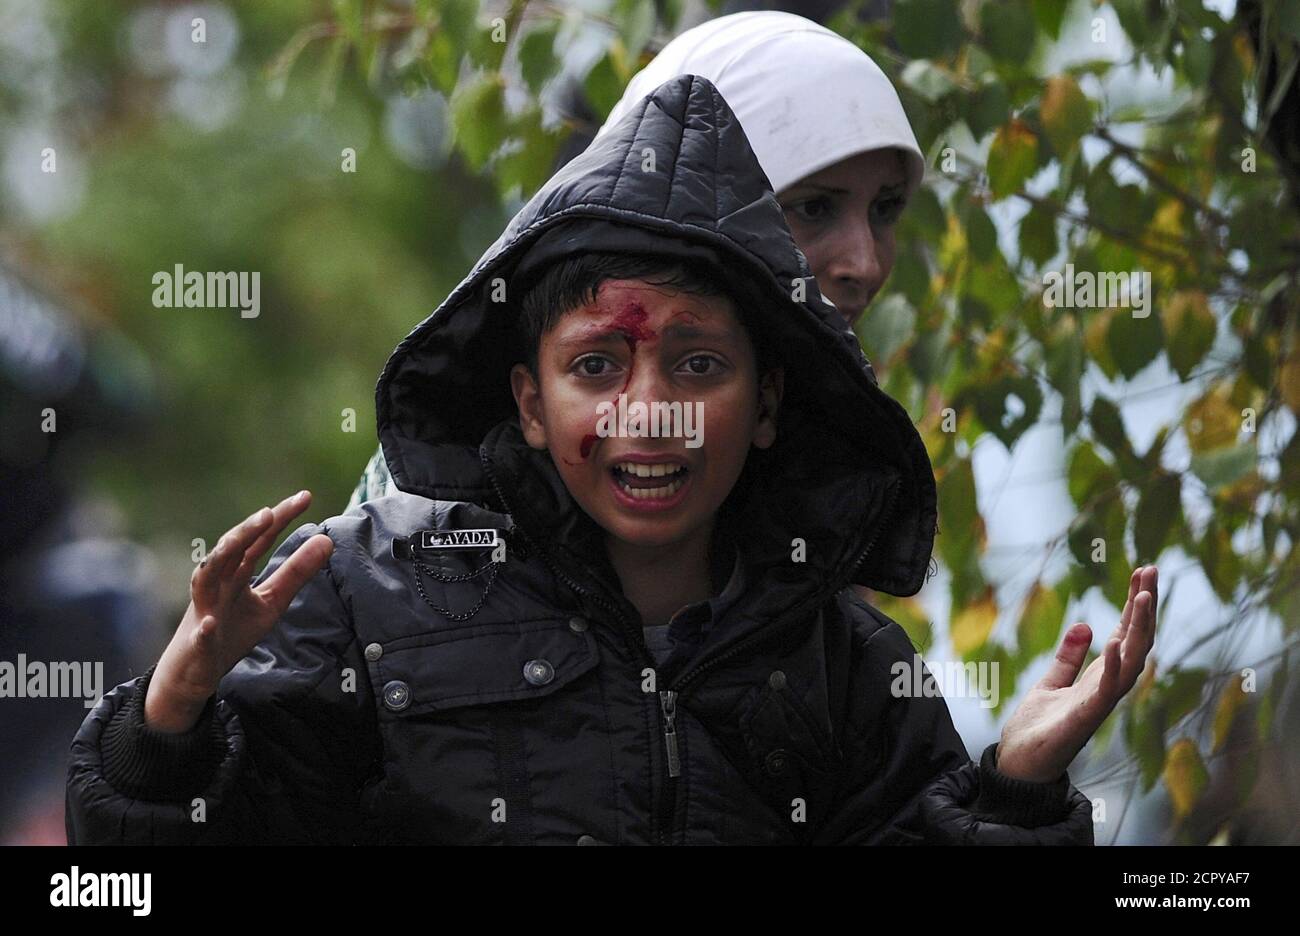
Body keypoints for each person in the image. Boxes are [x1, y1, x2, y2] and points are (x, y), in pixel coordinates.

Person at [66, 75, 1155, 844]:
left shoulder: (850, 668)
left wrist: (1013, 791)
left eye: (695, 367)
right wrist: (166, 722)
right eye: (596, 367)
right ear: (528, 403)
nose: (651, 416)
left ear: (768, 400)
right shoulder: (352, 595)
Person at [347, 10, 924, 509]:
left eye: (886, 209)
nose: (866, 264)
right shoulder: (444, 494)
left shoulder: (836, 484)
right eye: (814, 208)